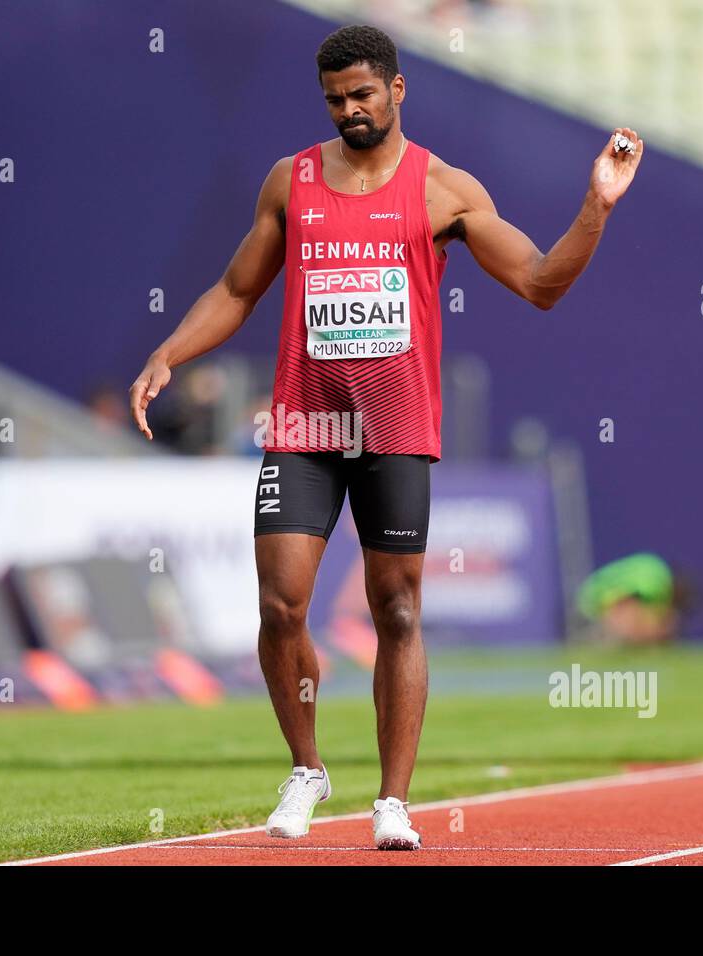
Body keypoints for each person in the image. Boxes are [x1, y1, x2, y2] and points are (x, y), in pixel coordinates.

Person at [129, 24, 643, 849]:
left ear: (398, 89)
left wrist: (596, 207)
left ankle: (392, 801)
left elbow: (543, 283)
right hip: (306, 422)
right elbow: (236, 287)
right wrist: (168, 351)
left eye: (363, 95)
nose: (349, 111)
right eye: (335, 99)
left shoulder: (444, 190)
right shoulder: (290, 181)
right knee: (279, 602)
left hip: (395, 427)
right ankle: (306, 768)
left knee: (397, 609)